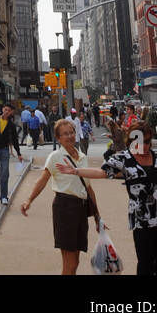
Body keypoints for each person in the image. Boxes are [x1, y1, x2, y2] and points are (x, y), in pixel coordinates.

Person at [61, 122, 157, 276]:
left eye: (147, 141)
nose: (145, 146)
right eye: (141, 141)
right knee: (145, 264)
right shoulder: (123, 158)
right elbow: (101, 172)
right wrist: (76, 171)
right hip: (142, 221)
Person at [21, 118, 100, 275]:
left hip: (81, 209)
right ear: (58, 138)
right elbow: (42, 181)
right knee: (69, 262)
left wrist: (98, 216)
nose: (69, 136)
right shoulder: (55, 156)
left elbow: (89, 188)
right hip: (65, 208)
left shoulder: (82, 157)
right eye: (65, 134)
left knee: (76, 261)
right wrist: (29, 200)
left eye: (71, 132)